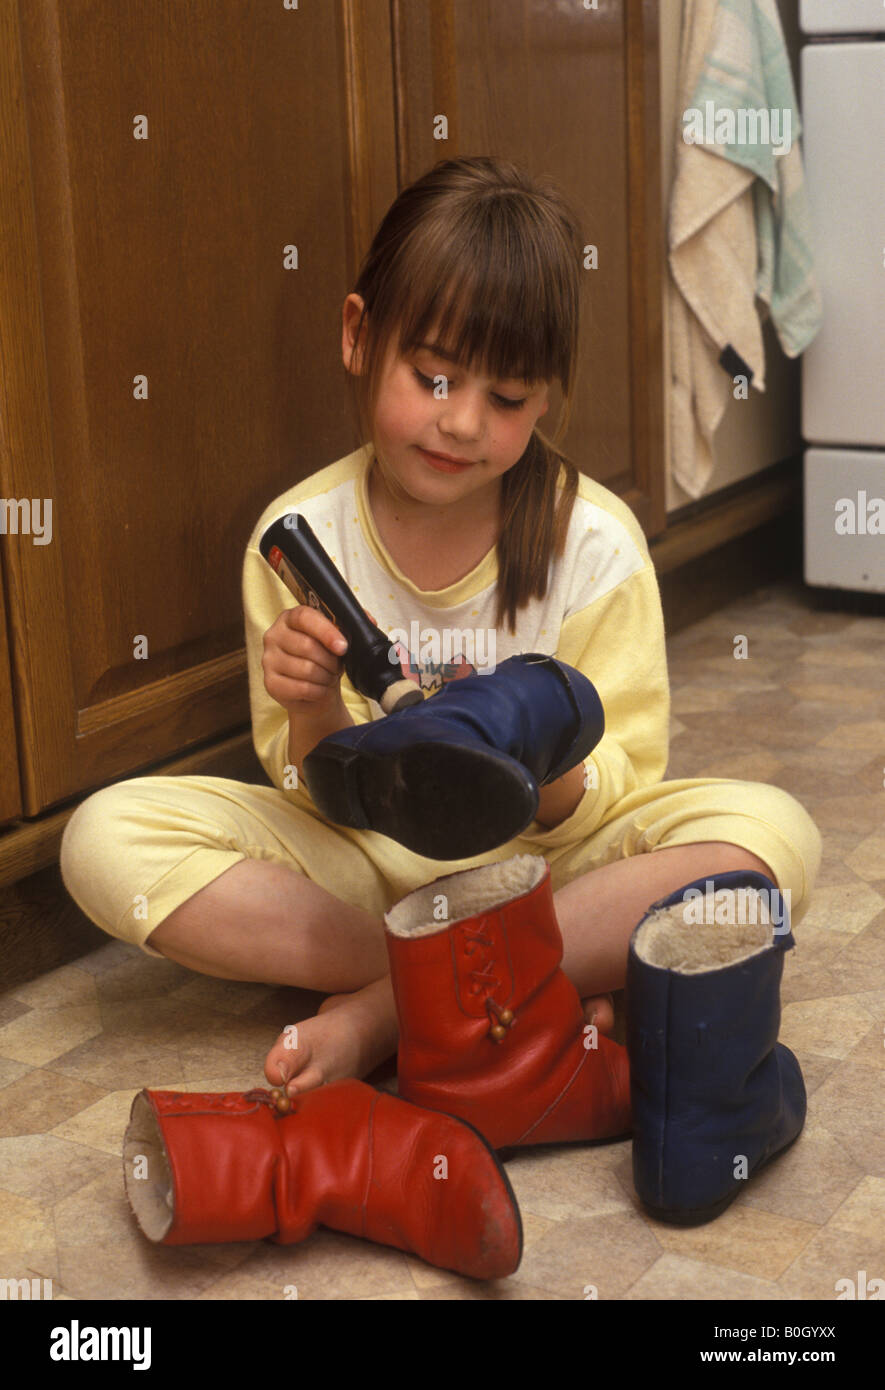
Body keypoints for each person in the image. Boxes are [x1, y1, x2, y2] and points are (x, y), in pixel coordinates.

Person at [60, 155, 822, 1100]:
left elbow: (626, 780)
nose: (460, 422)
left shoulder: (596, 543)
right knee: (103, 838)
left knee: (768, 838)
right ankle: (503, 983)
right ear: (356, 336)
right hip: (370, 871)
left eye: (505, 399)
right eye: (431, 377)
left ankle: (387, 1007)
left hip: (549, 868)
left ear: (545, 399)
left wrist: (532, 756)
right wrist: (309, 715)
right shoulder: (299, 544)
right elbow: (308, 792)